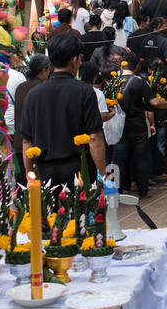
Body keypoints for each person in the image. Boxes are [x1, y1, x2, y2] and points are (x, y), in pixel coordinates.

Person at [20, 33, 105, 191]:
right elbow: (95, 137)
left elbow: (27, 141)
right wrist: (102, 176)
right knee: (79, 214)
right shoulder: (85, 92)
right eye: (80, 58)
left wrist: (29, 174)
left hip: (44, 173)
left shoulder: (33, 95)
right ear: (74, 59)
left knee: (49, 215)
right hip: (79, 172)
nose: (80, 63)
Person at [112, 57, 167, 198]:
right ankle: (142, 190)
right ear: (137, 66)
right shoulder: (139, 82)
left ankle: (119, 190)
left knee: (119, 160)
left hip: (118, 127)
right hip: (137, 126)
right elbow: (154, 102)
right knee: (140, 158)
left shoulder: (114, 82)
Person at [12, 54, 52, 165]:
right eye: (49, 69)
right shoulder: (42, 88)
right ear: (43, 70)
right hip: (35, 146)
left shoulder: (21, 87)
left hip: (19, 143)